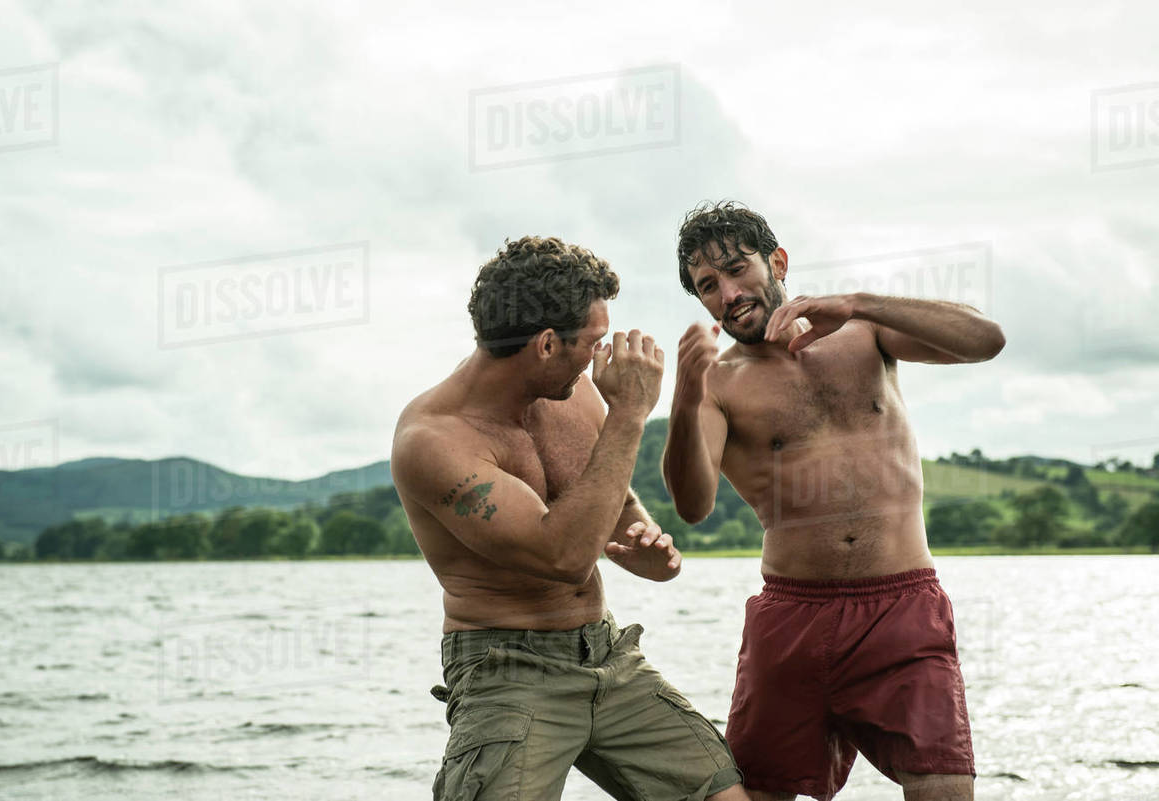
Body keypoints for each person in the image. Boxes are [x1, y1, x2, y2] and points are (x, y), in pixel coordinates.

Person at [663, 202, 1005, 801]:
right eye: (708, 286)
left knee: (945, 787)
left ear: (778, 262)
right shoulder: (719, 383)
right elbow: (693, 505)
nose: (729, 294)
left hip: (902, 608)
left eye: (738, 270)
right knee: (760, 790)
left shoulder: (863, 332)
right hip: (791, 618)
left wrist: (860, 303)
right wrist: (685, 396)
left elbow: (986, 340)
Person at [392, 235, 747, 801]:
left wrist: (646, 543)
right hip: (505, 670)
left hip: (606, 652)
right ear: (546, 344)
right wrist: (630, 412)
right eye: (594, 341)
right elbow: (563, 556)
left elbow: (608, 498)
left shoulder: (572, 391)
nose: (602, 357)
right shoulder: (434, 440)